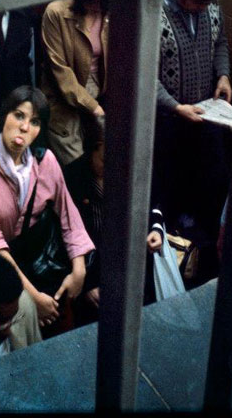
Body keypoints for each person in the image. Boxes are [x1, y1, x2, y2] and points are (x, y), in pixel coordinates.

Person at [0, 86, 95, 338]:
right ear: (3, 116)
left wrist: (79, 269)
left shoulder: (46, 161)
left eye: (34, 121)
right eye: (18, 115)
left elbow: (69, 215)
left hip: (41, 263)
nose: (24, 127)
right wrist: (34, 298)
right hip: (1, 275)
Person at [153, 0, 232, 248]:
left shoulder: (210, 6)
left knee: (213, 181)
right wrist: (176, 107)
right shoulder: (154, 14)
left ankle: (204, 251)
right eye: (199, 4)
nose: (205, 9)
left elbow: (220, 41)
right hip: (167, 122)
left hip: (207, 115)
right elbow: (144, 76)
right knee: (170, 188)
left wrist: (223, 75)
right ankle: (171, 251)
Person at [67, 116, 164, 326]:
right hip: (94, 272)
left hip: (130, 266)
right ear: (91, 149)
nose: (110, 167)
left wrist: (155, 230)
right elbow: (69, 234)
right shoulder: (73, 177)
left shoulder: (127, 169)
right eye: (104, 160)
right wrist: (88, 284)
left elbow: (151, 203)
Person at [40, 0, 109, 170]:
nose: (95, 5)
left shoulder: (110, 11)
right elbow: (60, 71)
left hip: (102, 92)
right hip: (63, 100)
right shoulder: (56, 12)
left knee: (102, 165)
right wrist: (93, 106)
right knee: (74, 167)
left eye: (99, 0)